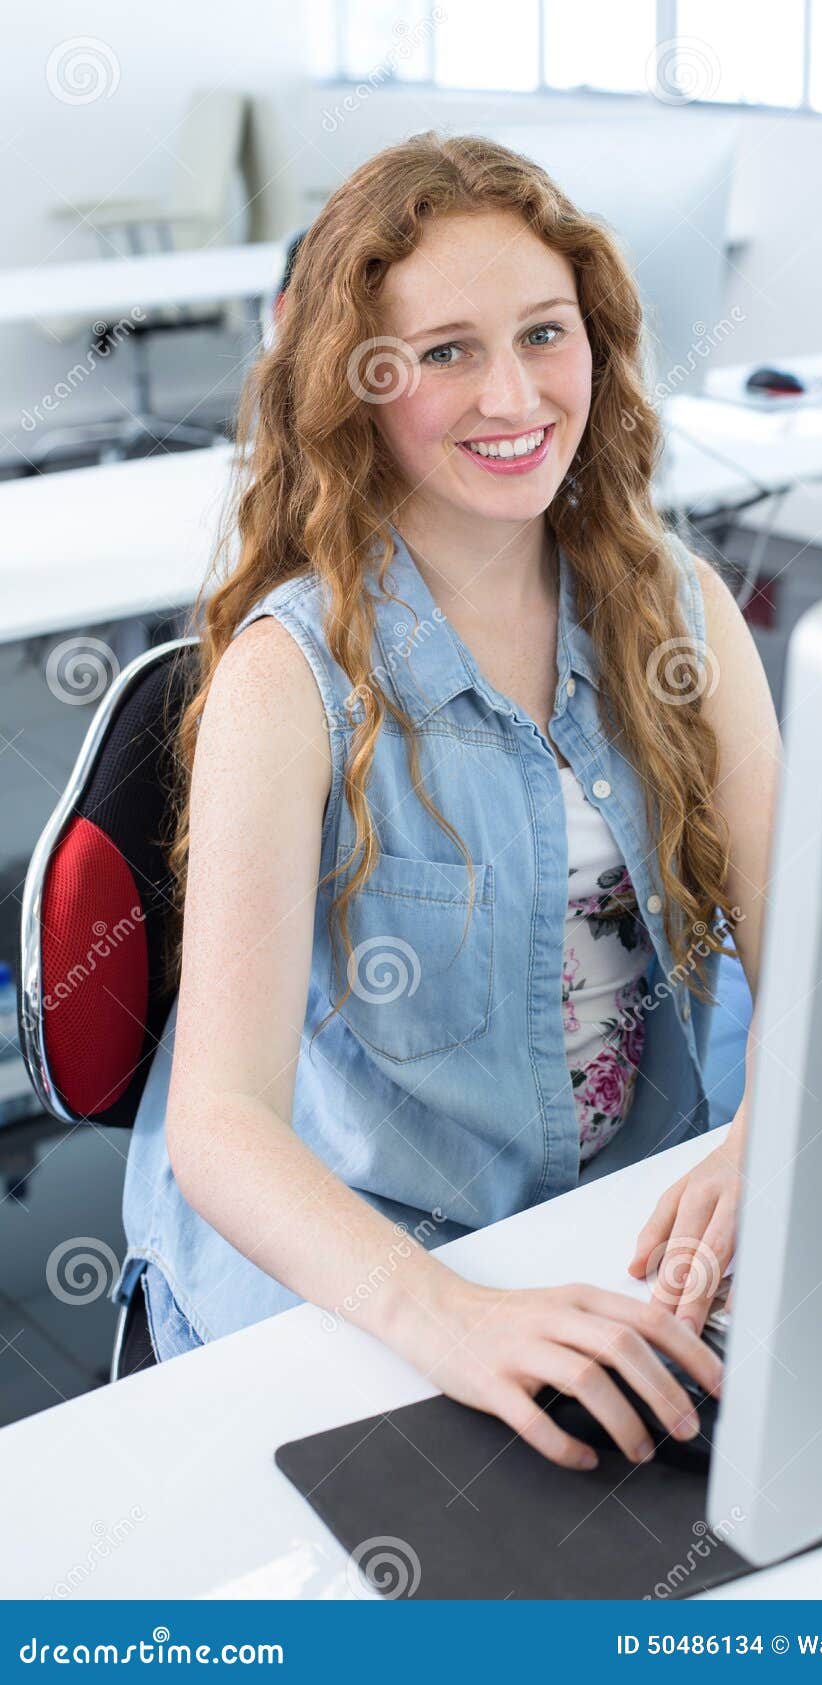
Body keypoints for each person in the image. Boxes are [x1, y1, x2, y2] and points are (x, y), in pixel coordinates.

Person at [112, 131, 780, 1473]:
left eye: (545, 332)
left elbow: (819, 966)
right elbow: (222, 1125)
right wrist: (452, 1317)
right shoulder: (289, 677)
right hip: (368, 1254)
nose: (515, 391)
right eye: (446, 351)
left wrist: (765, 1141)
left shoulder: (682, 611)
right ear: (360, 386)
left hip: (616, 1221)